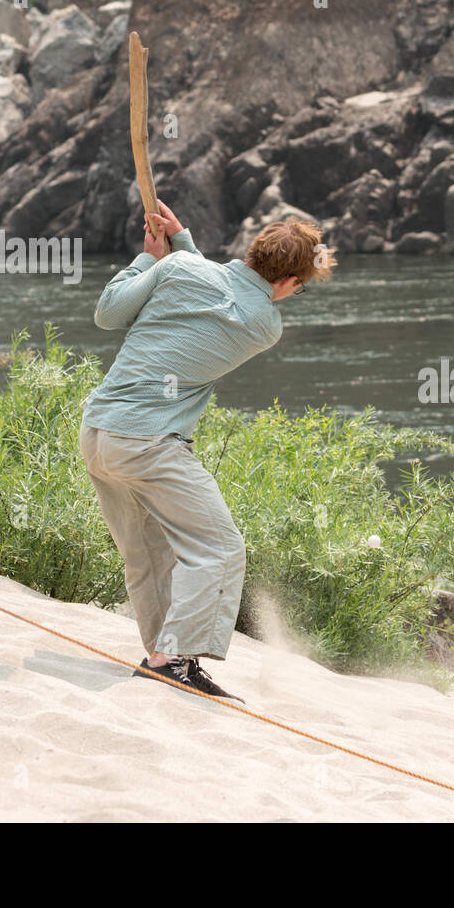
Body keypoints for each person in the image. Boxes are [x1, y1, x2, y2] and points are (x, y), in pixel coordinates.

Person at [80, 201, 335, 701]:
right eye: (300, 287)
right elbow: (228, 303)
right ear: (289, 283)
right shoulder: (265, 324)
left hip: (99, 433)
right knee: (219, 550)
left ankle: (163, 659)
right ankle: (173, 661)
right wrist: (178, 252)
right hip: (149, 443)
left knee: (149, 555)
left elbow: (109, 314)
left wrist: (152, 258)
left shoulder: (177, 269)